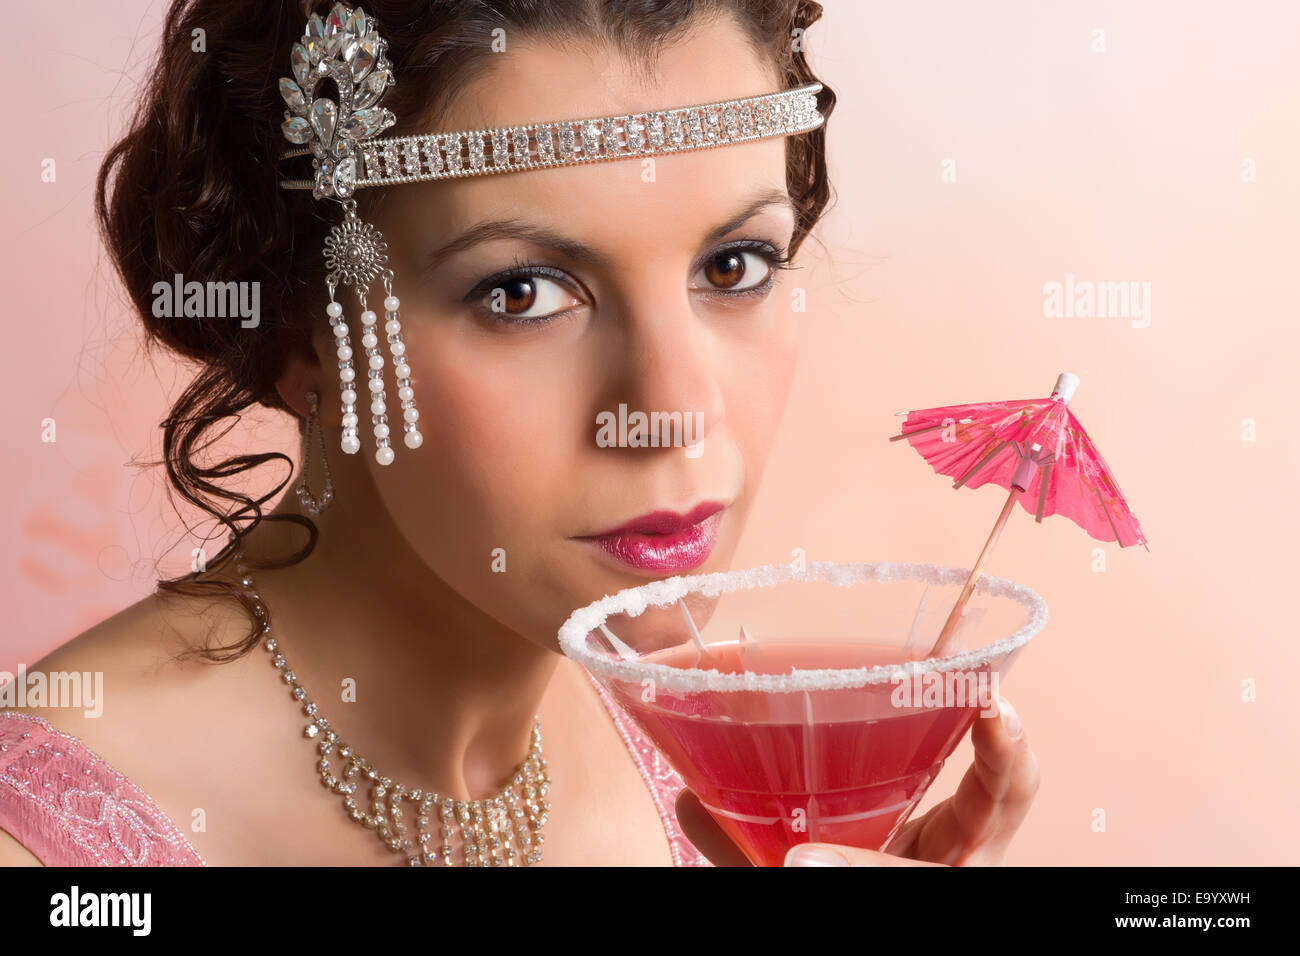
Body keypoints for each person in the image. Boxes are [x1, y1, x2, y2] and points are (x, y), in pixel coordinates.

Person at [0, 0, 1037, 867]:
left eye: (733, 266)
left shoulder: (717, 755)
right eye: (524, 290)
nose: (671, 410)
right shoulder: (56, 847)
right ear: (297, 334)